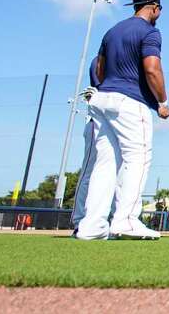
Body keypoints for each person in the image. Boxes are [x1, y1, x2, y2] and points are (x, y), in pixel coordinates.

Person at [76, 0, 169, 240]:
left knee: (105, 165)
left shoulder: (112, 30)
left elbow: (100, 67)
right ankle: (125, 221)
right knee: (137, 159)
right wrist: (162, 101)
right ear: (156, 8)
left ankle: (91, 226)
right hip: (130, 103)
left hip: (103, 97)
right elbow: (152, 69)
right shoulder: (150, 32)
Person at [70, 56, 102, 236]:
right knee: (90, 172)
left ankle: (108, 220)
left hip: (120, 127)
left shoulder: (133, 63)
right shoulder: (100, 60)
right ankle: (80, 220)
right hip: (97, 123)